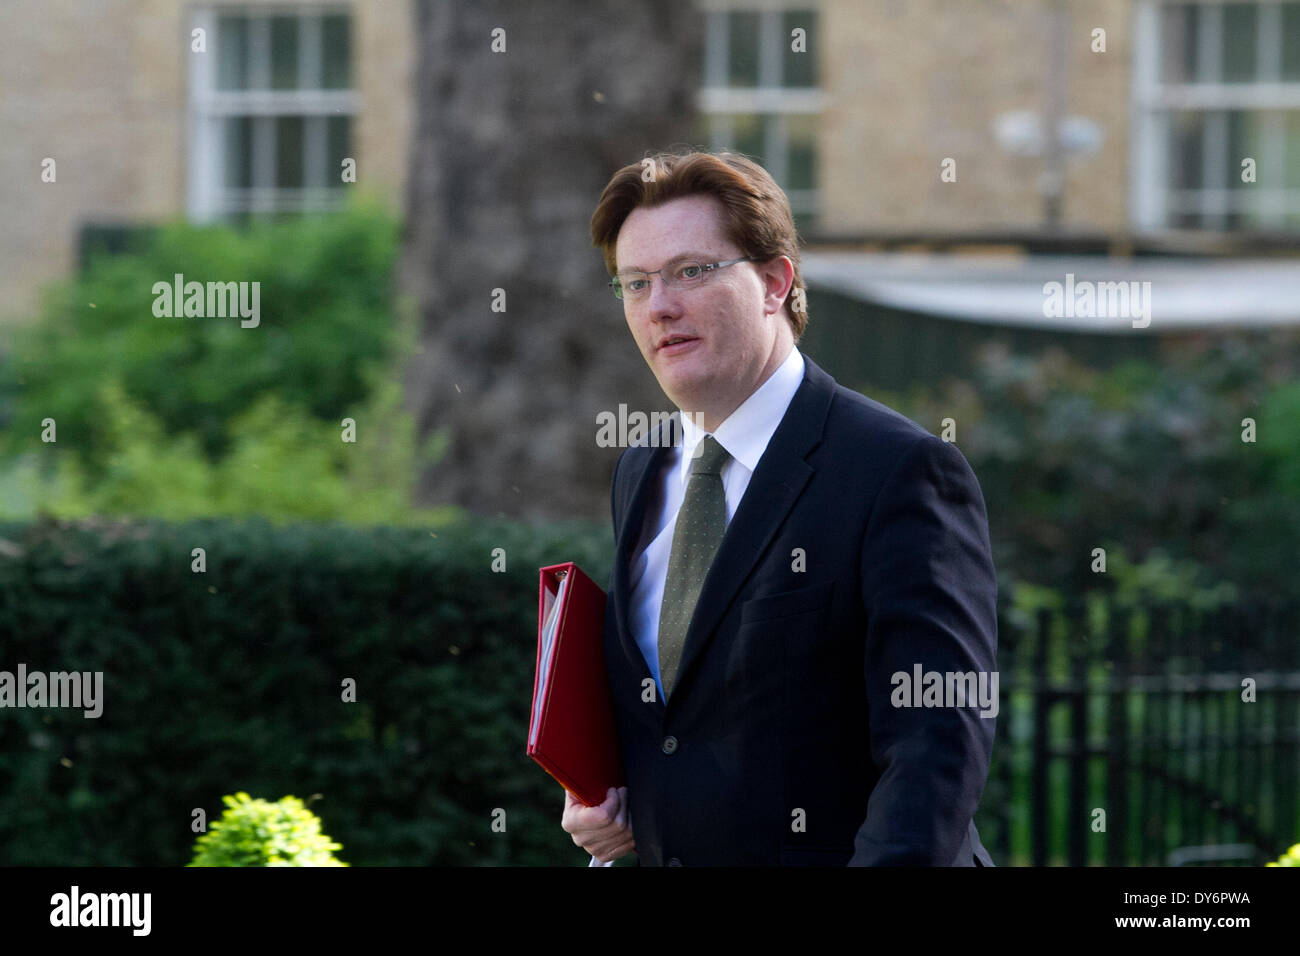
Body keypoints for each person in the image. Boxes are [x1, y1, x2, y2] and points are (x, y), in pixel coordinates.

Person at [561, 149, 998, 866]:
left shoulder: (899, 470)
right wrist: (607, 794)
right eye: (634, 283)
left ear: (774, 281)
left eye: (691, 271)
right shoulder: (641, 469)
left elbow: (935, 744)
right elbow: (684, 721)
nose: (659, 305)